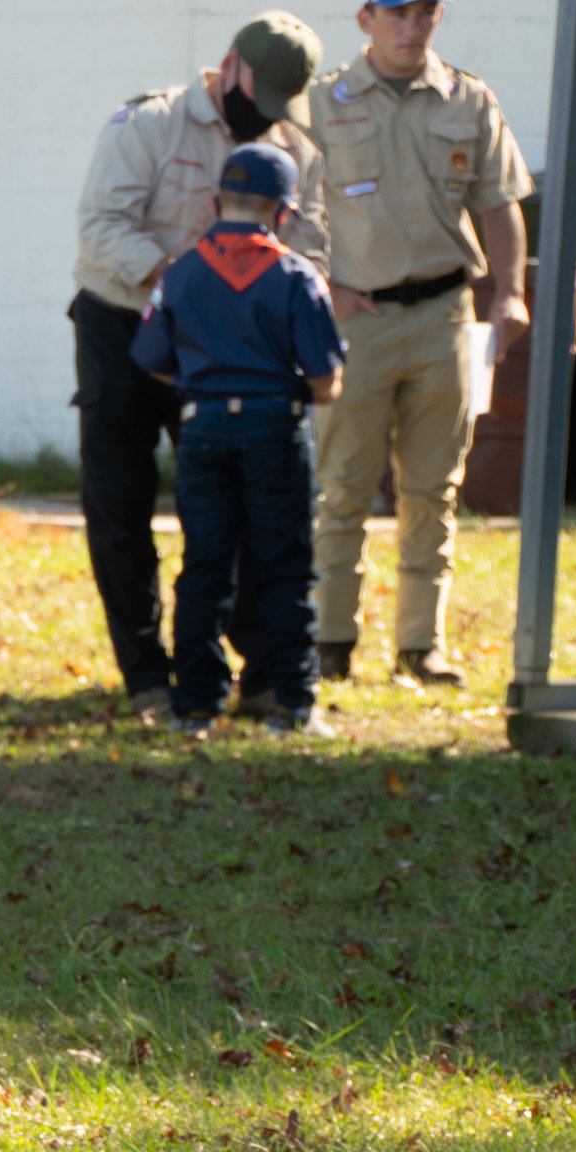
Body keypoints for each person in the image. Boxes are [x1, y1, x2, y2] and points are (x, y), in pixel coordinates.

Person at [72, 10, 329, 719]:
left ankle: (256, 674)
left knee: (242, 513)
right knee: (120, 509)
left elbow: (310, 248)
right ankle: (147, 676)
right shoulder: (148, 125)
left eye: (281, 105)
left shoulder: (291, 147)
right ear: (230, 64)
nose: (265, 117)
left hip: (227, 357)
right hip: (123, 329)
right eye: (260, 97)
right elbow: (100, 228)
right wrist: (188, 286)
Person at [303, 0, 532, 685]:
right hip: (356, 318)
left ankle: (419, 646)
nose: (412, 27)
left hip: (442, 314)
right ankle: (330, 641)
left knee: (433, 487)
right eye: (397, 12)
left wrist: (512, 290)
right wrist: (323, 285)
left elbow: (499, 202)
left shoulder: (467, 100)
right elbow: (290, 207)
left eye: (425, 12)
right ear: (364, 19)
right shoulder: (319, 102)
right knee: (342, 484)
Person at [130, 142, 347, 738]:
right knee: (284, 565)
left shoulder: (179, 273)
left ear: (214, 201)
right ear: (284, 212)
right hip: (274, 426)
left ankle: (196, 705)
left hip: (202, 429)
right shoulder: (297, 276)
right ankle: (293, 705)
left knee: (204, 566)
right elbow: (327, 379)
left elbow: (151, 358)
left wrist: (202, 380)